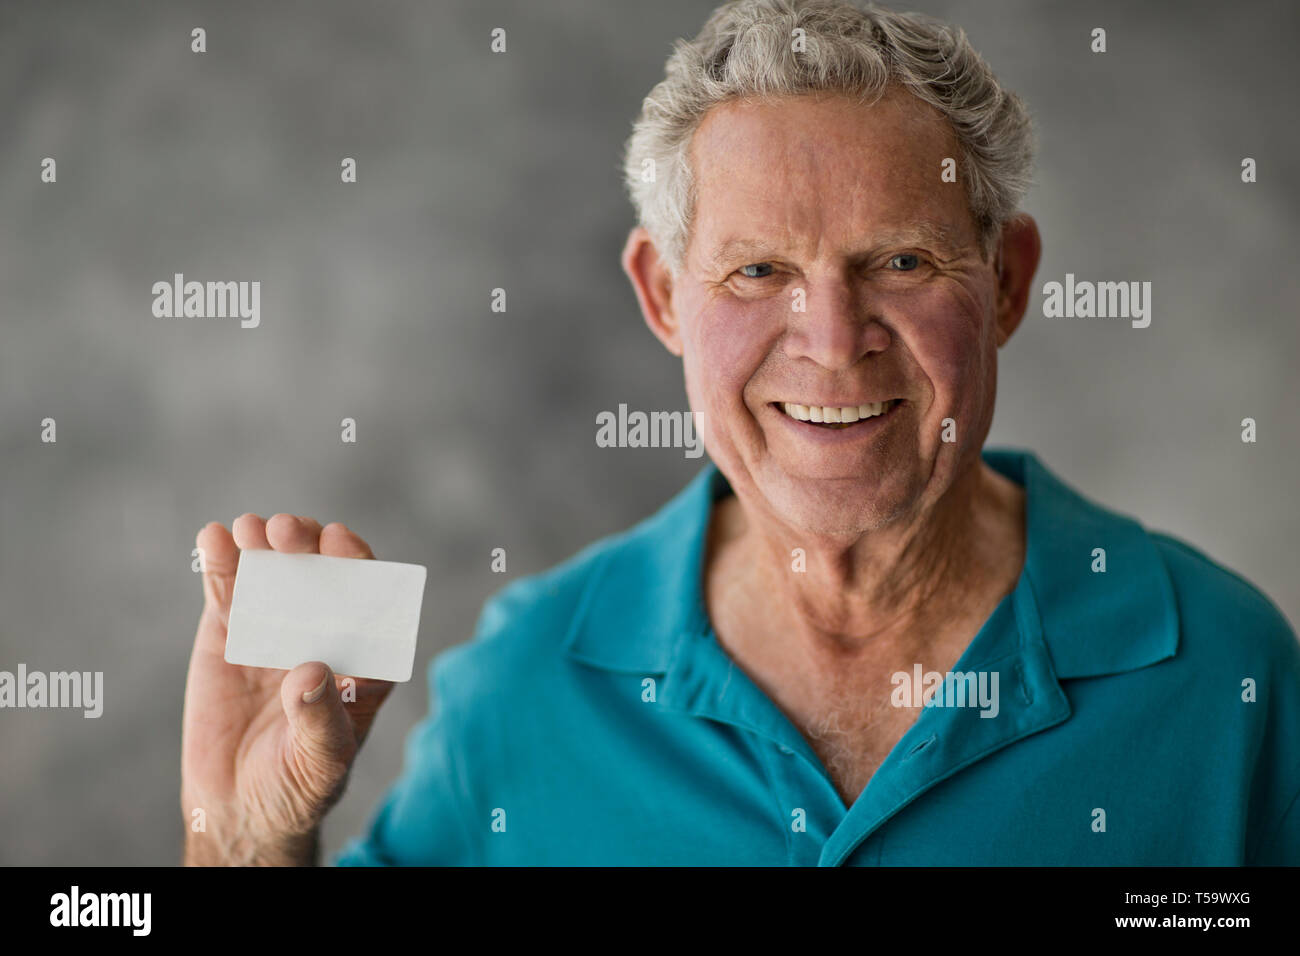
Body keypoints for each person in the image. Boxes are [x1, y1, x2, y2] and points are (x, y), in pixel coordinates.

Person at [181, 0, 1300, 865]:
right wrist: (240, 840)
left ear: (1004, 283)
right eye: (758, 270)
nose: (831, 337)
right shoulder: (525, 684)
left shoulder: (1225, 674)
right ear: (663, 296)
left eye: (901, 261)